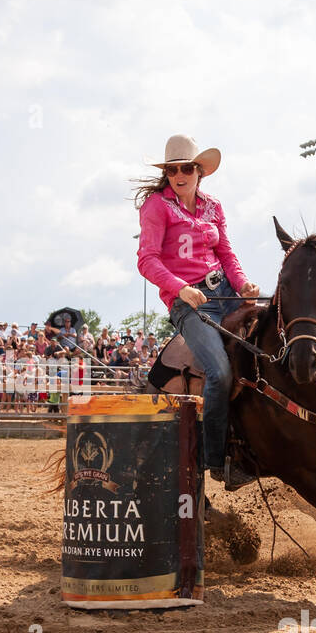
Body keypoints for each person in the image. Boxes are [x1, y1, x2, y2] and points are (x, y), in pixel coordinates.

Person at [135, 134, 260, 488]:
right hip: (188, 304)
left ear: (199, 171)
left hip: (225, 293)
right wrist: (181, 289)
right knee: (219, 372)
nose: (179, 173)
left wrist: (244, 284)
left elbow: (227, 255)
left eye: (186, 167)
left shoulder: (213, 207)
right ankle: (216, 460)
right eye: (172, 169)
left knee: (274, 340)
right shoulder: (157, 207)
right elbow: (147, 260)